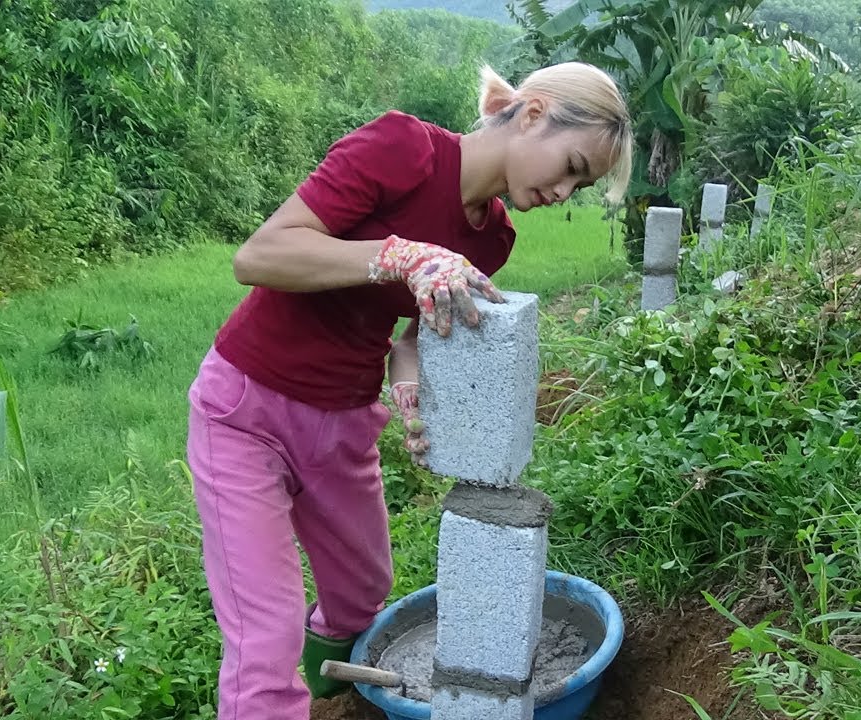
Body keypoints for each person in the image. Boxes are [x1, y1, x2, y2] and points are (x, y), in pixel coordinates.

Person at [184, 60, 632, 719]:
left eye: (582, 184)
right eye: (569, 165)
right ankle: (271, 697)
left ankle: (330, 691)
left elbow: (410, 334)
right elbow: (260, 255)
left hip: (341, 419)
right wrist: (396, 253)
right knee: (265, 634)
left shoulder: (492, 237)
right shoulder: (403, 149)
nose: (566, 190)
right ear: (531, 114)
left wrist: (410, 381)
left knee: (363, 595)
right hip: (247, 408)